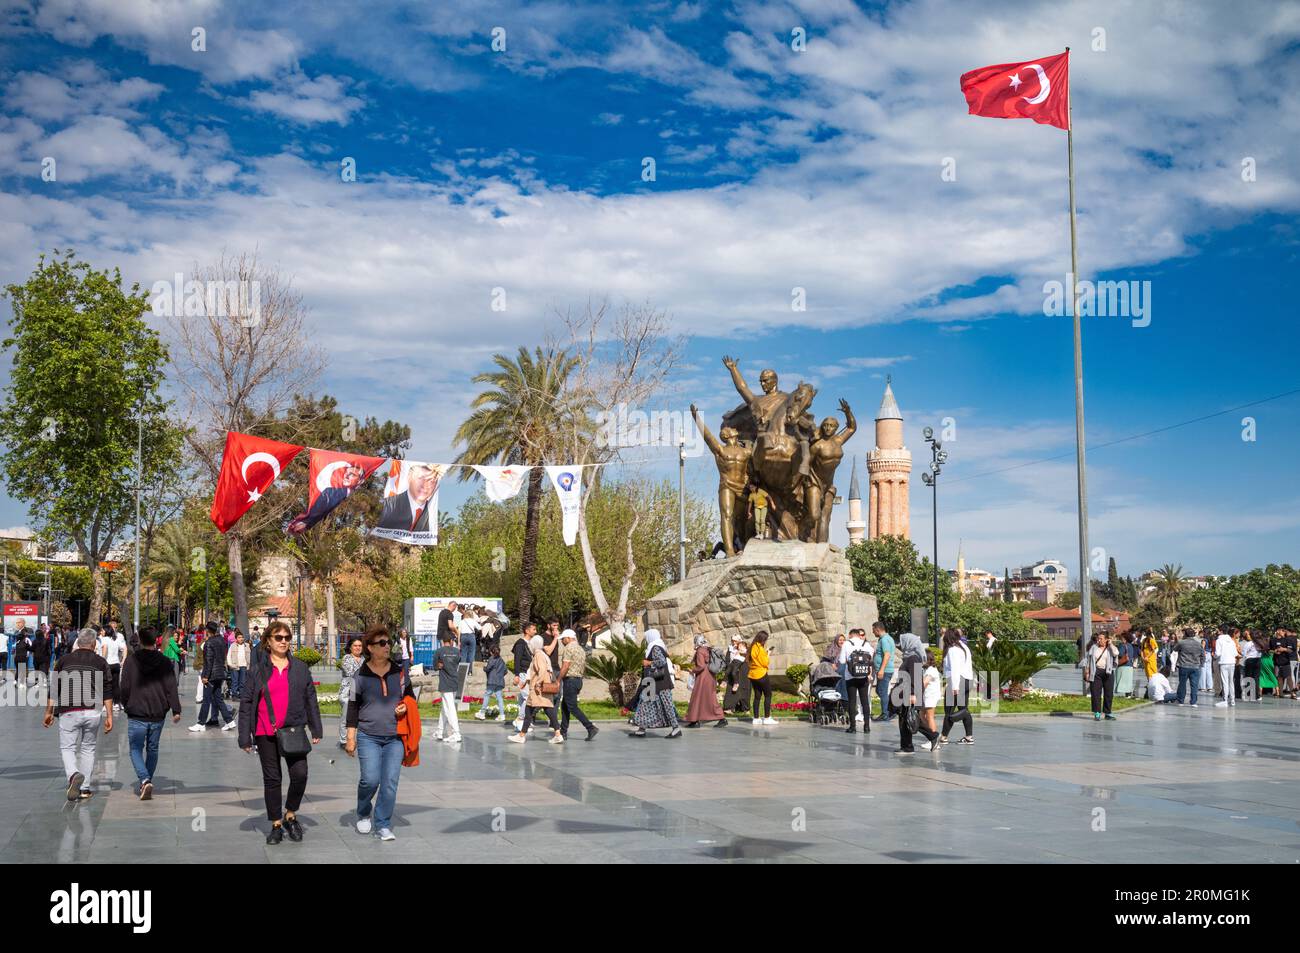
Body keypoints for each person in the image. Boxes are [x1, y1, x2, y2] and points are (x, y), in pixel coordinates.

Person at [238, 619, 323, 845]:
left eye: (287, 638)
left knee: (300, 774)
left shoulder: (300, 669)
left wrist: (316, 727)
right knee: (272, 778)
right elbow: (246, 703)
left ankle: (290, 814)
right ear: (268, 641)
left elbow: (310, 700)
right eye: (279, 637)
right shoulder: (257, 671)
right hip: (265, 731)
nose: (284, 641)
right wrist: (244, 735)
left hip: (293, 730)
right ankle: (276, 823)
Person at [346, 625, 413, 842]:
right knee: (370, 779)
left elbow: (411, 697)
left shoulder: (399, 672)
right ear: (370, 648)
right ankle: (364, 812)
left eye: (388, 642)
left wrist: (405, 706)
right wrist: (350, 737)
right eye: (382, 643)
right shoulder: (360, 675)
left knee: (390, 782)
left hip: (395, 737)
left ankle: (383, 823)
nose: (387, 646)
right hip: (368, 736)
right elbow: (353, 708)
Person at [43, 628, 113, 801]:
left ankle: (73, 775)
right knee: (88, 748)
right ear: (94, 644)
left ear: (78, 642)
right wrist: (110, 716)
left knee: (68, 747)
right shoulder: (100, 662)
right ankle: (85, 788)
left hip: (69, 710)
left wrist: (48, 711)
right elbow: (107, 690)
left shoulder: (63, 661)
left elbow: (54, 688)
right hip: (93, 711)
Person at [118, 625, 182, 800]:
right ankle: (147, 780)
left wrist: (125, 703)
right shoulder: (164, 661)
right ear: (156, 640)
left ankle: (145, 779)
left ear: (140, 639)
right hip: (157, 711)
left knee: (135, 749)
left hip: (136, 711)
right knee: (153, 748)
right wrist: (176, 709)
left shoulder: (132, 660)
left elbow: (124, 685)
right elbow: (171, 686)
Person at [508, 634, 564, 744]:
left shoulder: (538, 655)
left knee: (530, 711)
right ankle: (557, 734)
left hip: (538, 688)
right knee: (547, 710)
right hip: (543, 687)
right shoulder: (543, 655)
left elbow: (542, 670)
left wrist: (538, 683)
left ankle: (521, 735)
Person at [630, 629, 682, 738]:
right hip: (655, 682)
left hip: (661, 683)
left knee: (667, 705)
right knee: (646, 704)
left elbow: (661, 662)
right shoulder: (656, 646)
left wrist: (648, 663)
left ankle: (676, 728)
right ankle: (641, 729)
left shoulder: (655, 648)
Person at [190, 621, 236, 732]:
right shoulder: (221, 640)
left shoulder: (209, 643)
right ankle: (229, 721)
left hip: (211, 675)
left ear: (207, 631)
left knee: (206, 699)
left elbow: (208, 661)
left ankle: (201, 723)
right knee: (218, 699)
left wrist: (205, 676)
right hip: (220, 673)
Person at [894, 633, 936, 753]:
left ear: (909, 643)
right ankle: (907, 746)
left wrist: (913, 694)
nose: (900, 646)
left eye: (903, 642)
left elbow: (916, 678)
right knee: (906, 720)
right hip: (905, 693)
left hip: (910, 694)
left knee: (908, 720)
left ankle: (930, 737)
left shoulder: (913, 658)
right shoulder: (909, 657)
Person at [557, 628, 599, 739]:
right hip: (578, 680)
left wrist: (558, 679)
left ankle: (590, 727)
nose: (562, 641)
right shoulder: (581, 649)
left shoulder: (568, 648)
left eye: (563, 639)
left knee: (572, 707)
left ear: (569, 638)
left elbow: (565, 666)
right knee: (565, 706)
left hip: (570, 680)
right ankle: (563, 731)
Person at [939, 629, 976, 742]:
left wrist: (955, 687)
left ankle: (944, 736)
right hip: (966, 680)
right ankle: (969, 736)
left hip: (957, 681)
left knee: (949, 710)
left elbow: (955, 669)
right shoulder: (964, 647)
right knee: (963, 709)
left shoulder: (952, 650)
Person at [684, 635, 727, 729]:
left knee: (700, 698)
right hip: (709, 676)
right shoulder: (707, 649)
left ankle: (720, 718)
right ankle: (694, 719)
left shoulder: (700, 651)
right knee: (706, 698)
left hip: (703, 678)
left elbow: (701, 666)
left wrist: (692, 670)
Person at [840, 627, 874, 733]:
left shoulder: (846, 644)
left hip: (851, 677)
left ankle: (853, 727)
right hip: (863, 676)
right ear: (858, 635)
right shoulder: (865, 644)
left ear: (850, 635)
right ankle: (867, 726)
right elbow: (871, 657)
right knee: (865, 701)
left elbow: (841, 661)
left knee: (852, 701)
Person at [433, 632, 463, 744]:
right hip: (455, 682)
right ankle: (440, 731)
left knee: (449, 708)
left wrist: (440, 665)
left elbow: (435, 666)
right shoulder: (456, 651)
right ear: (451, 641)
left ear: (442, 641)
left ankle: (456, 733)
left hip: (445, 683)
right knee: (445, 707)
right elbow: (458, 662)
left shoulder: (439, 652)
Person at [1083, 631, 1118, 721]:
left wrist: (1110, 644)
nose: (1099, 640)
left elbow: (1116, 653)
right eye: (1098, 638)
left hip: (1108, 672)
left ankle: (1107, 713)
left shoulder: (1110, 648)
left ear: (1106, 639)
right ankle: (1097, 713)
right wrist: (1087, 671)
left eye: (1101, 638)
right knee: (1095, 693)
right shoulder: (1094, 647)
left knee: (1108, 693)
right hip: (1096, 672)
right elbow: (1088, 659)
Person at [338, 635, 365, 747]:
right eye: (355, 646)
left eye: (360, 646)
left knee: (360, 717)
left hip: (361, 691)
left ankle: (356, 739)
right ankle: (344, 741)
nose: (358, 648)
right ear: (350, 647)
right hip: (348, 691)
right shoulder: (347, 658)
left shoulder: (364, 659)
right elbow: (352, 673)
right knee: (346, 716)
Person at [510, 622, 536, 731]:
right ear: (527, 631)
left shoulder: (531, 643)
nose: (535, 631)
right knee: (528, 697)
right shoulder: (521, 644)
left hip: (529, 674)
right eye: (533, 629)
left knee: (522, 699)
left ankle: (523, 724)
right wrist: (516, 675)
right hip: (523, 673)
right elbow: (517, 660)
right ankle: (520, 719)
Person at [1171, 628, 1204, 707]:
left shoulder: (1182, 643)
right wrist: (1201, 664)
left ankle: (1181, 700)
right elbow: (1203, 655)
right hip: (1195, 666)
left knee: (1182, 684)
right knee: (1194, 685)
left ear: (1185, 634)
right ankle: (1193, 702)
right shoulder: (1198, 644)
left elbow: (1174, 649)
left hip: (1183, 665)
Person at [747, 631, 775, 726]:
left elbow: (755, 659)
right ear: (763, 639)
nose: (765, 641)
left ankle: (756, 718)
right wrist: (768, 654)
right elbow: (765, 662)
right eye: (765, 639)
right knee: (768, 695)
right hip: (761, 674)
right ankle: (767, 718)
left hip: (752, 675)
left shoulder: (753, 647)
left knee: (757, 696)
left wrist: (765, 652)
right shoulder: (760, 648)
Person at [477, 644, 507, 721]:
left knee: (487, 695)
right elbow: (505, 671)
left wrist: (484, 668)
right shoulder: (502, 660)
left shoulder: (492, 658)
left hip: (492, 680)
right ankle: (502, 714)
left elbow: (488, 668)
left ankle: (482, 713)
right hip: (500, 681)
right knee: (499, 698)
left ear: (491, 652)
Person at [871, 622, 895, 722]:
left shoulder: (884, 640)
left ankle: (886, 714)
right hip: (885, 670)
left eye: (873, 630)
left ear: (877, 629)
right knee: (880, 691)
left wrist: (881, 670)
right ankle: (888, 711)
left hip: (885, 670)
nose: (872, 632)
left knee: (882, 691)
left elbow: (887, 655)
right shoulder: (886, 638)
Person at [1212, 625, 1239, 708]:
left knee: (1225, 682)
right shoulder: (1231, 640)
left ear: (1221, 631)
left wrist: (1214, 656)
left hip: (1223, 662)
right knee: (1231, 682)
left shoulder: (1219, 640)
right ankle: (1233, 700)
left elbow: (1218, 653)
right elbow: (1235, 653)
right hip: (1232, 662)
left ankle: (1225, 700)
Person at [723, 634, 750, 714]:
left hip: (743, 671)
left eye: (735, 640)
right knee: (731, 689)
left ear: (739, 641)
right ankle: (729, 707)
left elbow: (748, 659)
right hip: (733, 671)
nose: (733, 642)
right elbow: (727, 659)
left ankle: (745, 708)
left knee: (744, 689)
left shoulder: (744, 648)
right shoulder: (730, 648)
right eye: (732, 640)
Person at [1271, 627, 1297, 699]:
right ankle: (1280, 694)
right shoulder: (1272, 640)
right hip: (1276, 662)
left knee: (1289, 677)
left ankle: (1292, 693)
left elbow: (1292, 650)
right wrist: (1275, 651)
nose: (1283, 632)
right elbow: (1269, 650)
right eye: (1282, 631)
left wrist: (1284, 649)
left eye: (1284, 631)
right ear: (1278, 631)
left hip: (1286, 662)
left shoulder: (1287, 640)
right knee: (1279, 678)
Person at [227, 629, 250, 701]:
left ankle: (242, 694)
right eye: (239, 637)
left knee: (243, 681)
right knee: (235, 681)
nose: (241, 639)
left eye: (242, 637)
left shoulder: (247, 645)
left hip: (244, 665)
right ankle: (234, 695)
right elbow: (228, 656)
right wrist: (230, 664)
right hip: (235, 666)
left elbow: (250, 656)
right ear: (236, 638)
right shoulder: (232, 646)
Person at [458, 606, 479, 675]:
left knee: (463, 654)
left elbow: (459, 632)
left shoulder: (461, 621)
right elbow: (480, 628)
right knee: (471, 654)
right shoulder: (473, 621)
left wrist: (458, 641)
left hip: (463, 637)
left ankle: (463, 672)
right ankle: (469, 671)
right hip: (471, 636)